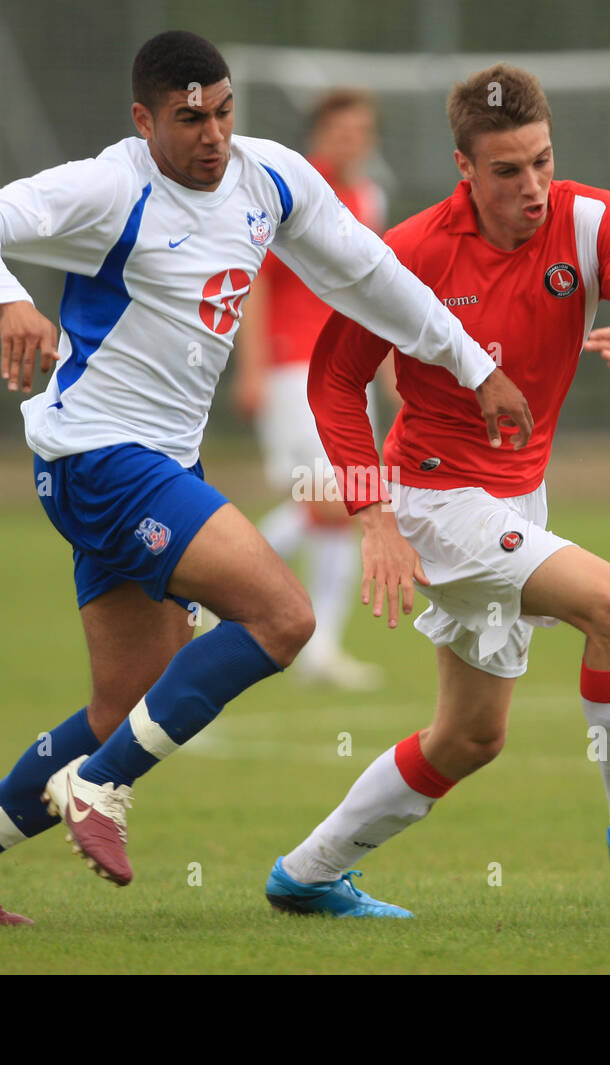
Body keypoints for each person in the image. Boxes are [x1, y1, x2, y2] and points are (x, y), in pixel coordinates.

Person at [0, 31, 532, 925]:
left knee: (121, 708)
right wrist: (9, 300)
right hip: (103, 460)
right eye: (190, 118)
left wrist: (472, 366)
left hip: (151, 465)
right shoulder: (110, 187)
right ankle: (101, 791)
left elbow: (374, 277)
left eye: (224, 111)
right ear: (144, 119)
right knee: (283, 615)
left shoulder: (269, 179)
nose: (214, 134)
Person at [265, 63, 610, 918]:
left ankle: (308, 872)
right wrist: (373, 519)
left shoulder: (595, 221)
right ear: (463, 169)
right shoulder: (408, 253)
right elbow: (333, 382)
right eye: (508, 171)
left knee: (471, 735)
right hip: (433, 500)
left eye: (543, 162)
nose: (534, 187)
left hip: (518, 499)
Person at [234, 88, 392, 691]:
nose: (353, 140)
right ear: (320, 135)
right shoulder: (290, 191)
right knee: (332, 500)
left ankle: (321, 648)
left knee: (343, 507)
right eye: (342, 130)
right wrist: (249, 370)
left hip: (347, 373)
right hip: (294, 370)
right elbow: (257, 285)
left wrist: (387, 370)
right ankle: (207, 576)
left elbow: (371, 294)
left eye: (363, 130)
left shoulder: (367, 198)